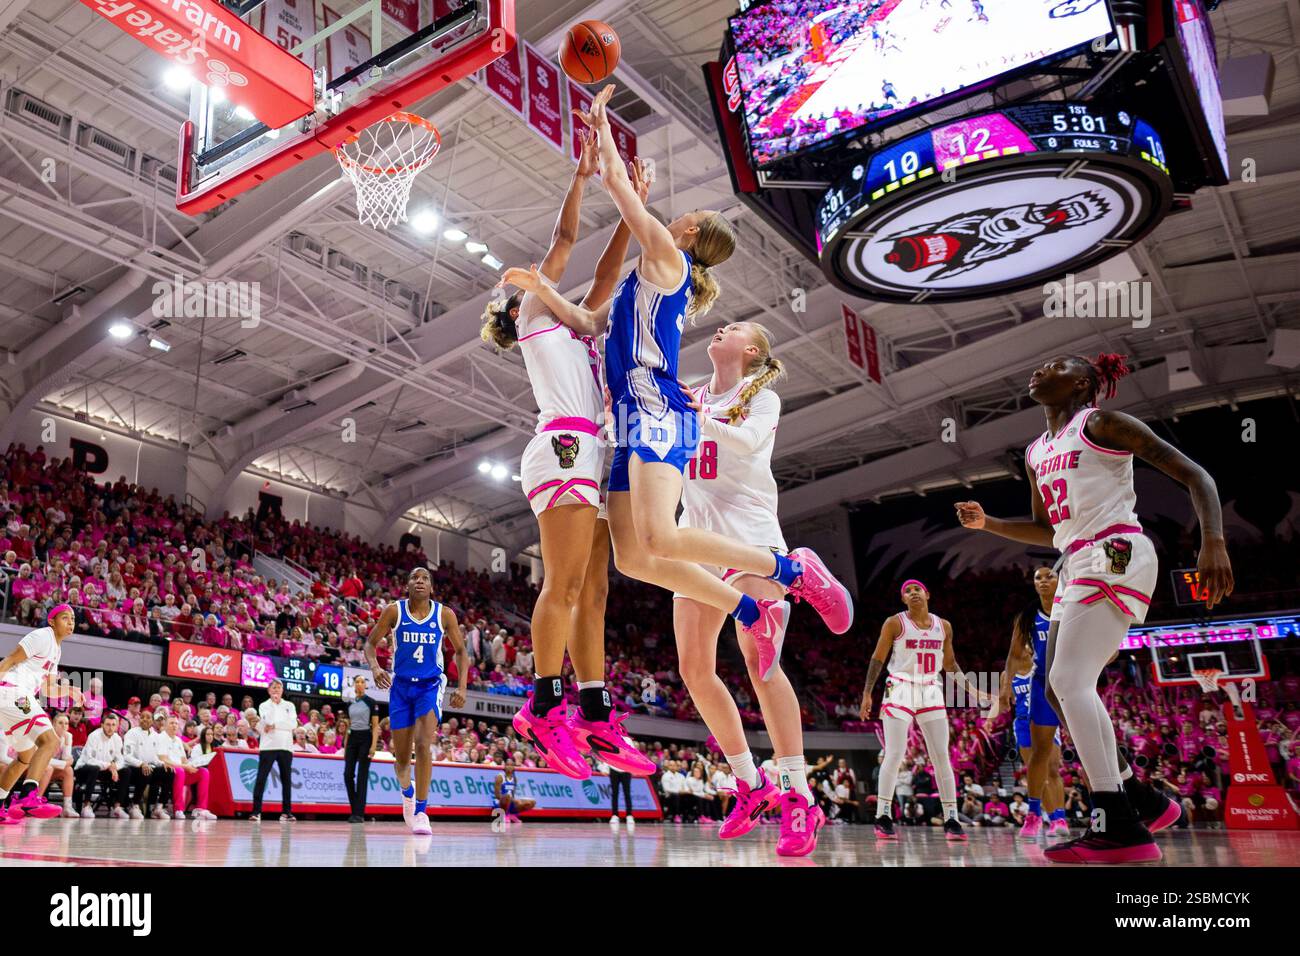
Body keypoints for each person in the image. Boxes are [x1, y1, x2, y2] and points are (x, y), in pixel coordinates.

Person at [500, 84, 852, 687]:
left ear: (690, 230)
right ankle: (746, 606)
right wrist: (538, 292)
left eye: (683, 214)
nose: (676, 214)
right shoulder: (644, 277)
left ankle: (789, 570)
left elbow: (618, 193)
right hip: (628, 416)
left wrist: (603, 130)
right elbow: (587, 321)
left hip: (655, 405)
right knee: (636, 558)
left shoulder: (669, 259)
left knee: (661, 534)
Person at [957, 352, 1231, 863]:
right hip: (1074, 559)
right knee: (1056, 691)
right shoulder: (1037, 450)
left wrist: (1212, 541)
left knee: (1068, 683)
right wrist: (989, 524)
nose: (1038, 369)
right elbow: (1046, 530)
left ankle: (1119, 822)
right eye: (1037, 365)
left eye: (1054, 365)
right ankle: (1142, 799)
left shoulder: (1102, 422)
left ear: (1081, 382)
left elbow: (1196, 475)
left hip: (1114, 550)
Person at [483, 131, 654, 782]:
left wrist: (633, 205)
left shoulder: (574, 323)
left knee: (598, 590)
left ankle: (593, 708)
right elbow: (562, 243)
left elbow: (607, 273)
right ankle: (544, 703)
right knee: (566, 585)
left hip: (591, 447)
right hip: (561, 444)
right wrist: (582, 180)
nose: (550, 275)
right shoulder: (533, 314)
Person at [671, 321, 823, 857]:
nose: (720, 328)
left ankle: (801, 795)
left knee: (760, 661)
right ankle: (749, 781)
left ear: (752, 349)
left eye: (734, 328)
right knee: (693, 668)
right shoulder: (688, 394)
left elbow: (745, 441)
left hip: (751, 537)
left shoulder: (763, 398)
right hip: (695, 539)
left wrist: (695, 414)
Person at [858, 580, 988, 842]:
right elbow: (877, 658)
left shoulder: (944, 626)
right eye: (908, 591)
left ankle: (951, 818)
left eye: (917, 589)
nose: (913, 592)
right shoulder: (895, 623)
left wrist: (975, 692)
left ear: (927, 594)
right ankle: (883, 816)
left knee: (941, 755)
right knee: (894, 753)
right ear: (904, 600)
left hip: (930, 687)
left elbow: (950, 665)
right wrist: (867, 692)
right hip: (901, 686)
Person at [365, 567, 468, 835]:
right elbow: (370, 644)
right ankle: (407, 793)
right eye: (414, 578)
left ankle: (422, 810)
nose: (419, 581)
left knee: (423, 744)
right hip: (400, 686)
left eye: (425, 579)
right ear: (407, 585)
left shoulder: (444, 614)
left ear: (432, 588)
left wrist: (463, 688)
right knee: (401, 761)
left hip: (430, 686)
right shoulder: (394, 611)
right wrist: (376, 668)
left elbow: (461, 651)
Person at [996, 566, 1069, 840]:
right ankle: (1042, 815)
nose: (1044, 580)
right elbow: (1013, 656)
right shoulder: (1028, 618)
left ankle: (1105, 810)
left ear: (1060, 579)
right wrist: (1004, 689)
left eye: (1049, 575)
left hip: (1069, 683)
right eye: (1038, 577)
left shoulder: (1071, 608)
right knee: (1040, 763)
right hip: (1039, 696)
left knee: (1061, 765)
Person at [0, 604, 78, 820]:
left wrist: (69, 689)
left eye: (72, 618)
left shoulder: (56, 649)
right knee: (50, 741)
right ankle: (28, 796)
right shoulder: (43, 636)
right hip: (12, 692)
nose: (70, 622)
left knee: (25, 757)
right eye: (65, 617)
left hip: (13, 698)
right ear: (52, 621)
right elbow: (9, 660)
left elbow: (47, 688)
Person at [250, 679, 296, 822]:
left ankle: (286, 812)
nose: (276, 690)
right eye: (273, 688)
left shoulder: (290, 705)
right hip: (268, 746)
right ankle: (256, 812)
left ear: (282, 690)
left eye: (279, 688)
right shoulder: (264, 705)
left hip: (286, 746)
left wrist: (275, 725)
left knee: (286, 780)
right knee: (261, 778)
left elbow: (293, 724)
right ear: (269, 691)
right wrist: (274, 706)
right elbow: (267, 721)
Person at [73, 710, 129, 818]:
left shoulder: (117, 738)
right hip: (84, 769)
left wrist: (115, 767)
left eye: (113, 725)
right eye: (108, 724)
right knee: (94, 768)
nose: (110, 727)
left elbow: (121, 760)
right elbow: (90, 760)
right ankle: (86, 806)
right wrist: (109, 766)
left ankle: (117, 807)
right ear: (102, 725)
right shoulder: (94, 736)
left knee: (126, 771)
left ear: (117, 726)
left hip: (104, 770)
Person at [156, 715, 214, 820]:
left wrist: (193, 765)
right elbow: (163, 759)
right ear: (165, 725)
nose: (174, 725)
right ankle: (178, 809)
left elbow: (184, 760)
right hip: (170, 772)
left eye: (176, 723)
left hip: (182, 770)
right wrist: (185, 766)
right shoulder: (161, 737)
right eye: (171, 723)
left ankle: (201, 809)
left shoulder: (178, 740)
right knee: (180, 771)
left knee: (204, 772)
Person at [343, 675, 379, 823]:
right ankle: (355, 809)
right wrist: (345, 745)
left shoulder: (371, 703)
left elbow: (376, 726)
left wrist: (373, 745)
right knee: (347, 774)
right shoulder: (350, 703)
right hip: (352, 738)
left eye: (362, 682)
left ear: (365, 685)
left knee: (362, 776)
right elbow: (349, 726)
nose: (359, 684)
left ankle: (358, 813)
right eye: (357, 681)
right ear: (353, 685)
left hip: (366, 737)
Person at [123, 709, 170, 819]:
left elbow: (154, 758)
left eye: (148, 717)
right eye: (142, 717)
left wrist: (163, 763)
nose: (145, 719)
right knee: (146, 771)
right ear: (139, 719)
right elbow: (127, 756)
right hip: (133, 767)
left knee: (169, 772)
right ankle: (134, 805)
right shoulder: (132, 733)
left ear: (152, 720)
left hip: (148, 766)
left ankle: (158, 807)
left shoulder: (155, 735)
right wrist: (142, 764)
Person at [494, 759, 535, 824]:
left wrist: (515, 800)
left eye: (511, 765)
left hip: (510, 801)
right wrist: (510, 799)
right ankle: (504, 815)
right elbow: (496, 795)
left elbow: (512, 794)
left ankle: (511, 815)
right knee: (507, 797)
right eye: (508, 765)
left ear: (514, 767)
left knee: (531, 802)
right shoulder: (500, 777)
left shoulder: (514, 778)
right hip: (499, 803)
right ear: (504, 766)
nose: (509, 767)